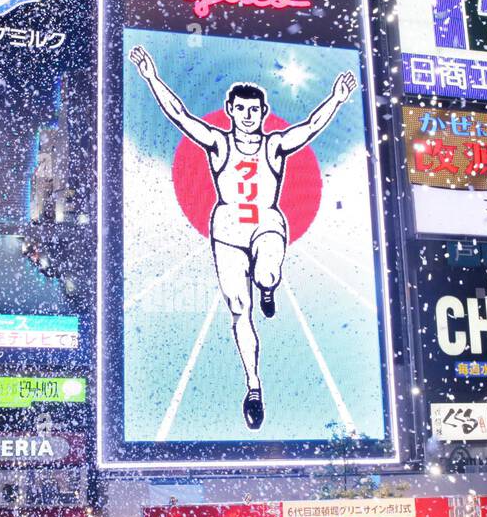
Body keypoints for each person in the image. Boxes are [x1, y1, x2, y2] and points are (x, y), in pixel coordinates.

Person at [129, 45, 357, 429]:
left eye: (255, 110)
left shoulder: (274, 144)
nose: (248, 116)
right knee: (239, 309)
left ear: (263, 114)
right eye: (242, 109)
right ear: (231, 110)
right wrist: (152, 77)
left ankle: (268, 285)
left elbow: (310, 127)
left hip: (266, 223)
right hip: (228, 231)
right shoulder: (219, 143)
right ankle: (253, 386)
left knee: (267, 271)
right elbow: (180, 115)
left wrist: (335, 99)